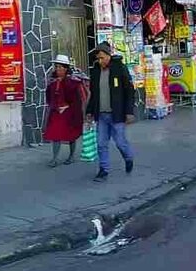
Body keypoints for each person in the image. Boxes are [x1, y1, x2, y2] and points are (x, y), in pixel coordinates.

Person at [85, 42, 136, 182]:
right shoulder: (95, 71)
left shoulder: (119, 68)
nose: (100, 61)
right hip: (101, 115)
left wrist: (129, 112)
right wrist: (89, 111)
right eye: (98, 58)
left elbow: (129, 91)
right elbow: (94, 94)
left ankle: (128, 157)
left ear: (108, 55)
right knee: (101, 144)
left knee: (120, 142)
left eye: (102, 57)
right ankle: (103, 170)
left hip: (117, 114)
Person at [43, 54, 84, 167]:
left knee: (71, 135)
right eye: (57, 67)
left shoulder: (72, 82)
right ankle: (55, 158)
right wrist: (54, 106)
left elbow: (76, 100)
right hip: (56, 112)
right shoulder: (52, 82)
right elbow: (49, 97)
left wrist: (67, 107)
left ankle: (71, 156)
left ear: (66, 68)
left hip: (69, 113)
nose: (58, 69)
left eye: (61, 67)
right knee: (55, 134)